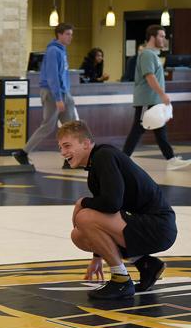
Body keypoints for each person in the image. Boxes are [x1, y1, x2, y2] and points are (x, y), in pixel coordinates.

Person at [59, 120, 172, 300]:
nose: (63, 152)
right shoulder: (97, 162)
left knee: (84, 217)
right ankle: (146, 264)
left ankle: (121, 280)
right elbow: (105, 214)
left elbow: (112, 204)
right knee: (78, 235)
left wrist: (82, 202)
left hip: (158, 226)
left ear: (86, 143)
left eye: (67, 146)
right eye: (61, 148)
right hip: (146, 225)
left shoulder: (104, 157)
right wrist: (97, 256)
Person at [121, 25, 191, 170]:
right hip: (147, 100)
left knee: (160, 129)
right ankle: (122, 160)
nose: (164, 39)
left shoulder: (153, 55)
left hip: (153, 100)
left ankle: (171, 159)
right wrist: (162, 94)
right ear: (153, 37)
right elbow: (150, 76)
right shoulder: (147, 54)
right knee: (138, 129)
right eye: (161, 36)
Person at [14, 22, 77, 169]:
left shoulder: (62, 50)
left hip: (64, 92)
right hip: (52, 93)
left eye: (71, 34)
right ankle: (23, 152)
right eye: (67, 34)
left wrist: (65, 94)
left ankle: (70, 159)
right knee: (48, 125)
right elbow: (52, 77)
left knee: (71, 127)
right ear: (59, 35)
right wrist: (58, 98)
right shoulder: (53, 51)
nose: (70, 37)